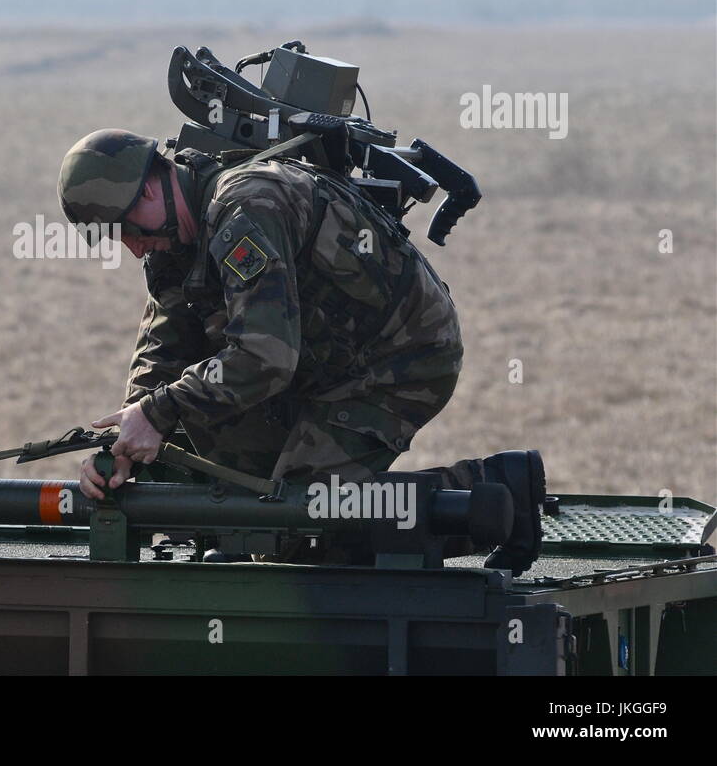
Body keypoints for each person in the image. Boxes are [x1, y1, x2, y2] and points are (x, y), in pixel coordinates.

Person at [57, 128, 543, 572]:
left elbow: (263, 358)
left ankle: (496, 490)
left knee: (304, 522)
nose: (136, 249)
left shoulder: (245, 210)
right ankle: (240, 539)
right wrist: (125, 436)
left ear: (147, 189)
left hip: (398, 358)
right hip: (317, 359)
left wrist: (159, 411)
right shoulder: (175, 235)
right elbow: (164, 344)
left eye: (130, 232)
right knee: (175, 461)